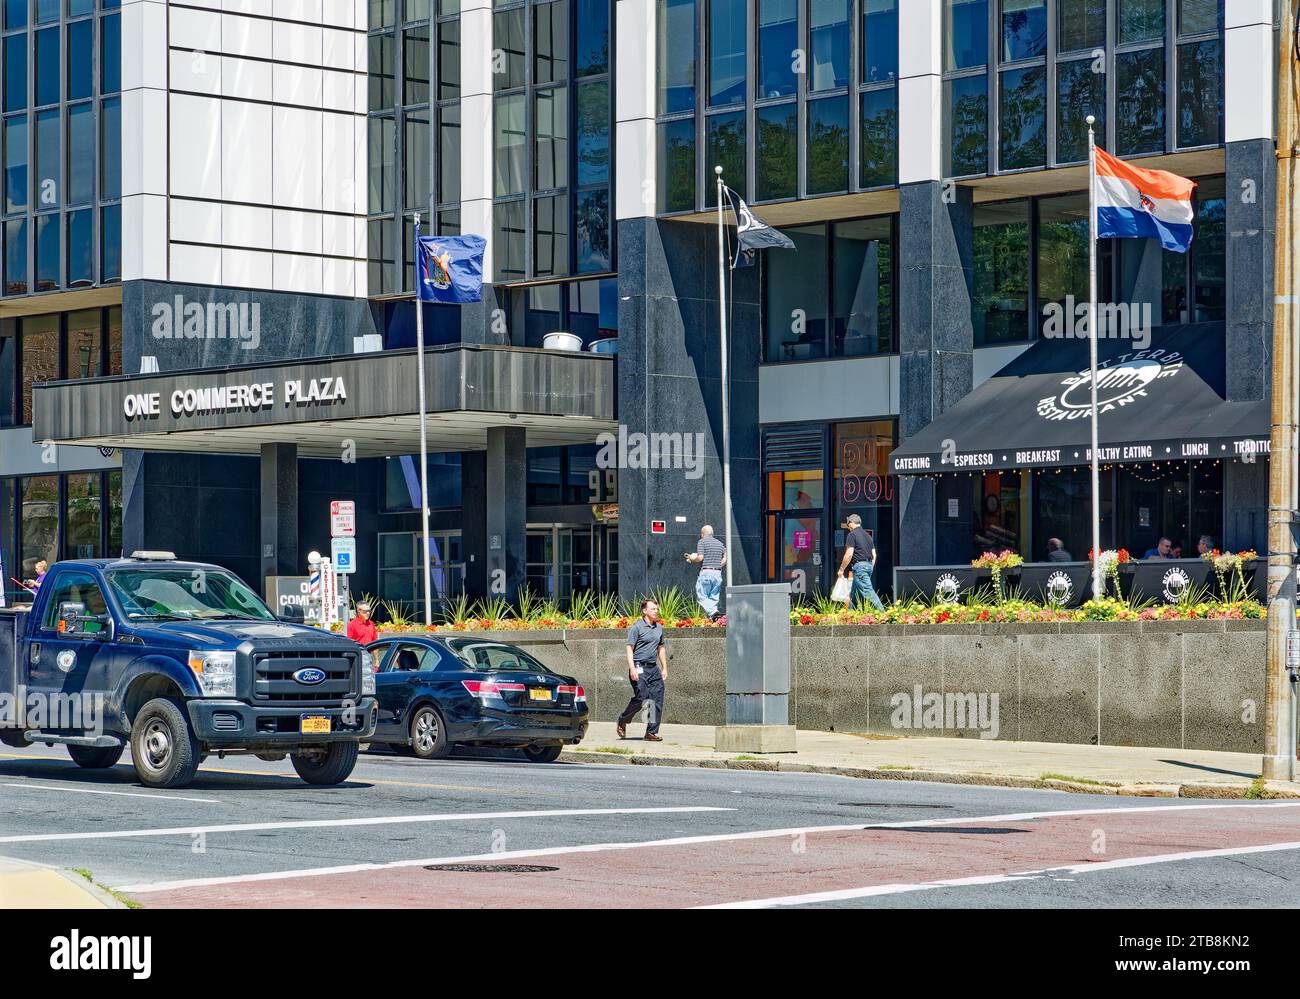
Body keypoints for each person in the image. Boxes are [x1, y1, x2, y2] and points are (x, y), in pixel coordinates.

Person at [617, 598, 668, 742]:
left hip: (653, 669)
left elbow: (661, 648)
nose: (655, 611)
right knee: (642, 697)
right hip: (639, 667)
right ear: (645, 611)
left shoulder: (658, 628)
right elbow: (629, 648)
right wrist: (632, 667)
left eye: (656, 609)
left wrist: (664, 668)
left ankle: (650, 732)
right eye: (652, 609)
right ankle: (623, 719)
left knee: (655, 700)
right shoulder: (637, 627)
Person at [837, 514, 884, 612]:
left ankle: (884, 614)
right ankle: (850, 616)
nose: (848, 526)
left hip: (859, 567)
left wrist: (841, 569)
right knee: (854, 594)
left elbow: (849, 554)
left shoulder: (852, 534)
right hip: (868, 565)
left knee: (868, 591)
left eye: (848, 523)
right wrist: (869, 566)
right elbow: (874, 555)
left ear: (851, 523)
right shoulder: (867, 535)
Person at [684, 525, 726, 621]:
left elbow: (700, 557)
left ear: (702, 534)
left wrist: (692, 559)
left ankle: (714, 613)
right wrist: (718, 565)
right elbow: (725, 557)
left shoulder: (702, 542)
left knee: (701, 595)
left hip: (706, 572)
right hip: (717, 573)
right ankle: (714, 617)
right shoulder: (720, 544)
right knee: (713, 596)